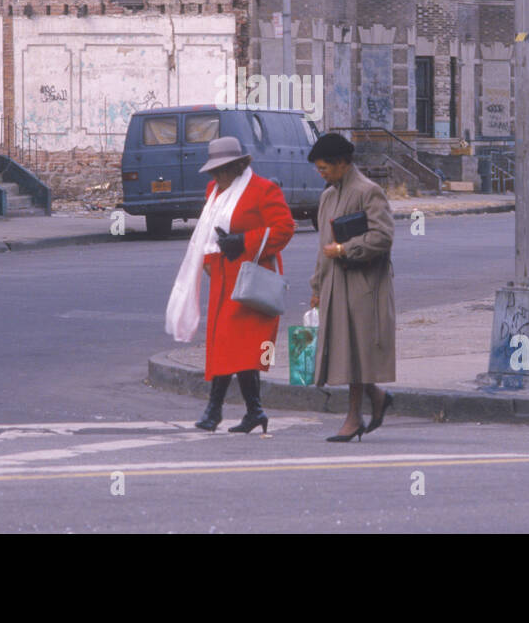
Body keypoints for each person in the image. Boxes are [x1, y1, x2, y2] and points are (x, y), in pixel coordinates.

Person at [166, 136, 294, 434]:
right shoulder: (214, 191)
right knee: (229, 345)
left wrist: (244, 241)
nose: (217, 177)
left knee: (242, 347)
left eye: (223, 170)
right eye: (214, 171)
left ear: (239, 166)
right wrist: (211, 263)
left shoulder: (263, 190)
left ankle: (217, 411)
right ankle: (252, 411)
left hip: (252, 278)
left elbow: (284, 228)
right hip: (223, 279)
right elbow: (208, 234)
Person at [307, 132, 395, 442]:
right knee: (343, 350)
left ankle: (354, 416)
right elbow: (322, 247)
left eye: (325, 168)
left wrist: (345, 249)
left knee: (356, 351)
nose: (322, 174)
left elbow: (382, 237)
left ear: (342, 163)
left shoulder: (368, 192)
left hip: (363, 285)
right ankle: (377, 397)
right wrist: (317, 287)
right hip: (334, 284)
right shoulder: (327, 196)